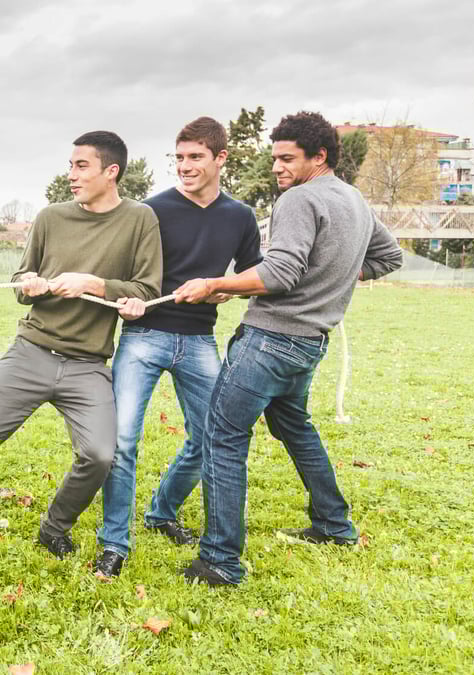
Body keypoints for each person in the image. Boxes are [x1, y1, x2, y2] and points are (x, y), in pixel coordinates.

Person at [173, 111, 403, 586]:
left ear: (318, 157)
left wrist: (218, 283)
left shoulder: (300, 198)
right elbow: (388, 256)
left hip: (271, 342)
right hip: (308, 347)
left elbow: (278, 273)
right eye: (273, 157)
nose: (276, 167)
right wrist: (330, 278)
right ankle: (334, 526)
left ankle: (219, 561)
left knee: (223, 438)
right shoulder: (354, 200)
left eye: (286, 158)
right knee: (294, 427)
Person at [0, 130, 162, 574]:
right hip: (31, 352)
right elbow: (21, 279)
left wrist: (93, 283)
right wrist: (28, 284)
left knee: (101, 456)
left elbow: (147, 289)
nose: (71, 174)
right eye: (70, 165)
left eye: (81, 165)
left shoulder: (140, 220)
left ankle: (55, 527)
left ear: (112, 172)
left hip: (88, 365)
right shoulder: (51, 217)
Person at [94, 117, 263, 578]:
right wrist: (126, 301)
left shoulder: (240, 216)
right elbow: (127, 275)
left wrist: (224, 287)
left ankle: (163, 511)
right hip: (144, 337)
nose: (185, 166)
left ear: (220, 159)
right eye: (180, 157)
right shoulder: (151, 210)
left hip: (200, 340)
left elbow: (255, 277)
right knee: (122, 442)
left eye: (195, 157)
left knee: (211, 440)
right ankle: (113, 544)